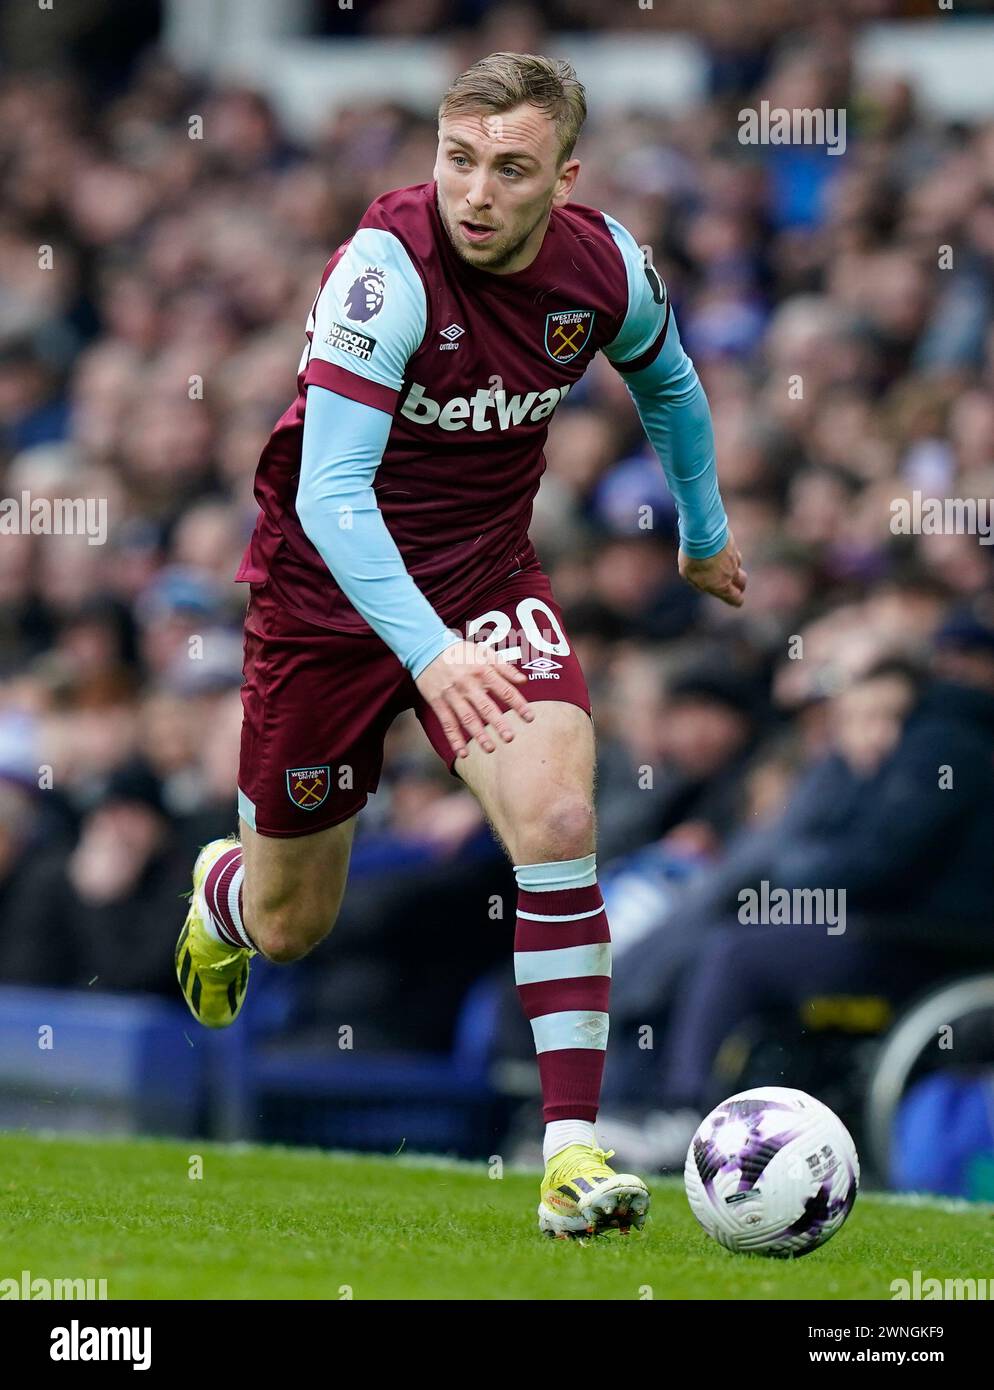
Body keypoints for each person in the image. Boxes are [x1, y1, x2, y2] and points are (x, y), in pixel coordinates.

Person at [174, 52, 744, 1238]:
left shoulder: (607, 269)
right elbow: (332, 497)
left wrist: (704, 532)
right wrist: (429, 654)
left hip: (485, 582)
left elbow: (674, 386)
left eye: (511, 169)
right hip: (324, 604)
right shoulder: (383, 271)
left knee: (560, 821)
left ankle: (570, 1154)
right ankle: (221, 896)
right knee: (294, 924)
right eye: (457, 159)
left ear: (565, 179)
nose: (475, 192)